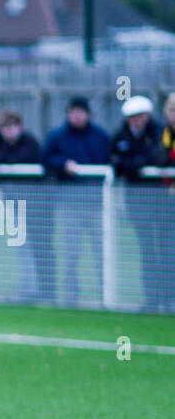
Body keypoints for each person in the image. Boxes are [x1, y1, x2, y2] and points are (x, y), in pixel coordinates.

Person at [38, 96, 111, 306]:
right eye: (73, 111)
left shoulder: (100, 136)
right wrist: (63, 164)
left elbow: (111, 159)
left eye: (81, 111)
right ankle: (71, 298)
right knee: (70, 254)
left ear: (87, 113)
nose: (77, 116)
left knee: (101, 253)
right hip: (69, 205)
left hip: (97, 205)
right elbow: (44, 158)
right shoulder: (58, 136)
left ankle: (106, 296)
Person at [109, 96, 167, 311]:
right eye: (132, 117)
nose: (136, 121)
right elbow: (115, 161)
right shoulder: (121, 135)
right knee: (147, 251)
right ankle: (151, 297)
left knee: (167, 249)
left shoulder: (161, 132)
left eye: (140, 116)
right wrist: (135, 165)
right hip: (137, 202)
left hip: (163, 203)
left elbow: (158, 158)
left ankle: (169, 297)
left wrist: (133, 164)